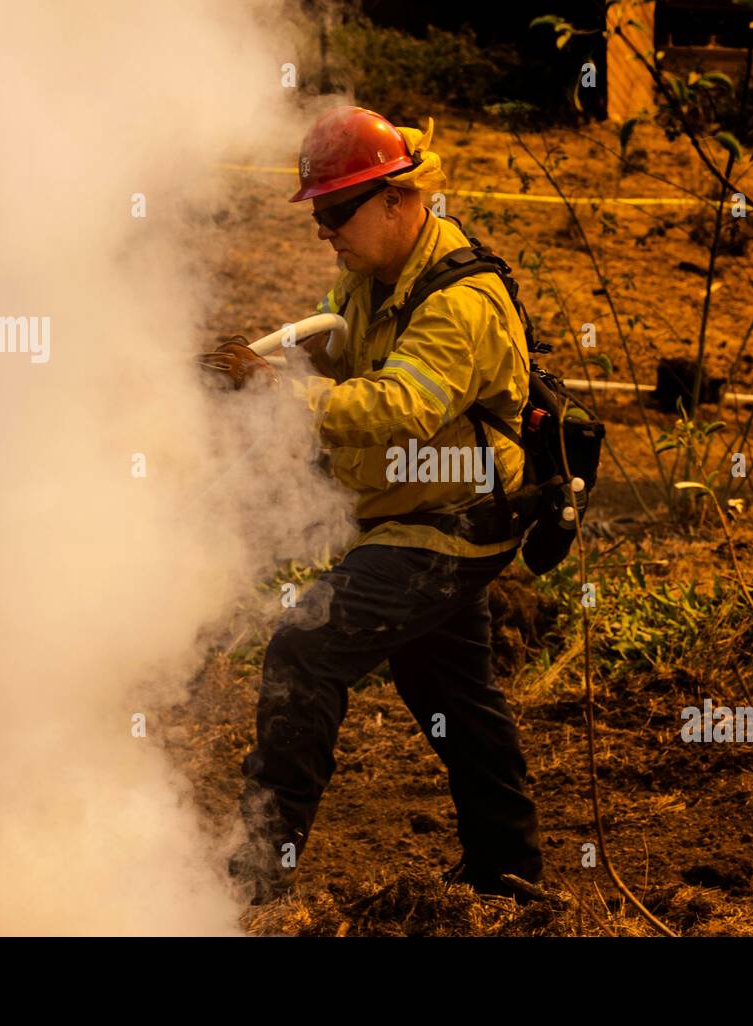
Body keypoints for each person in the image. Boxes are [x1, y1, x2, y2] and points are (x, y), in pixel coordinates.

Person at [220, 106, 544, 906]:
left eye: (335, 213)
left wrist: (283, 401)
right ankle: (510, 875)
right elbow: (345, 347)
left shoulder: (462, 300)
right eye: (318, 214)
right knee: (450, 695)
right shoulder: (375, 272)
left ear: (399, 199)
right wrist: (257, 362)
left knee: (306, 645)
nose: (323, 231)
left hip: (452, 523)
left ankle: (260, 877)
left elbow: (400, 403)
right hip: (414, 512)